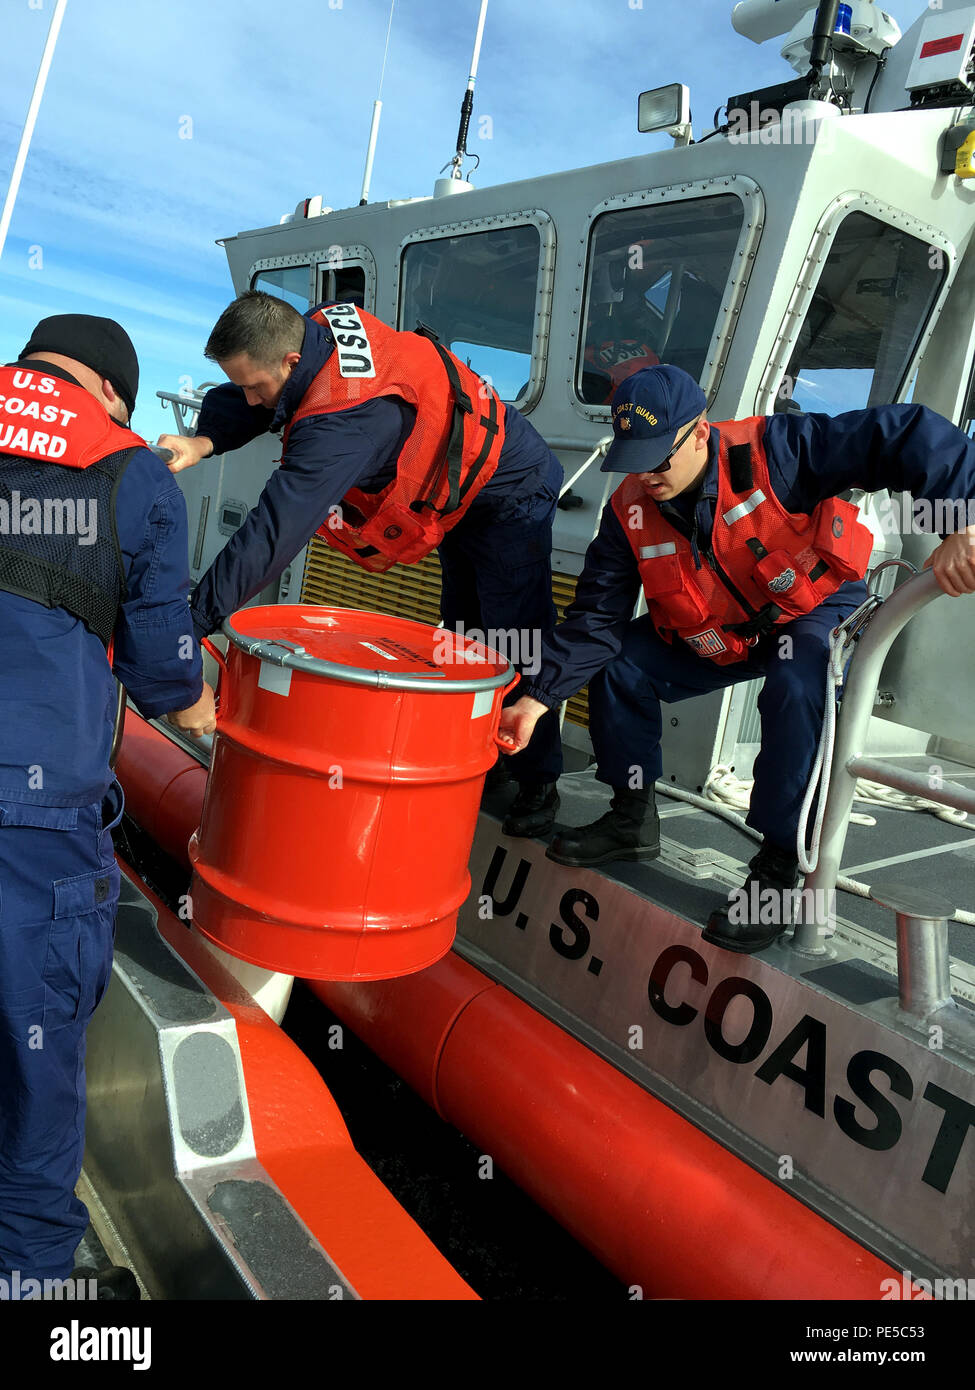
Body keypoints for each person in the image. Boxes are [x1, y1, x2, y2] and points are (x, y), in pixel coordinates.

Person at [499, 365, 975, 954]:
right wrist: (536, 699)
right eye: (635, 459)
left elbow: (902, 432)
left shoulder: (780, 450)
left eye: (660, 458)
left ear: (700, 432)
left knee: (800, 676)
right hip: (721, 631)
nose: (648, 476)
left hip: (812, 607)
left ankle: (778, 869)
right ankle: (630, 816)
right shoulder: (629, 512)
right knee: (621, 662)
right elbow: (595, 621)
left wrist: (961, 516)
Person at [157, 290, 564, 834]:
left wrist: (190, 626)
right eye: (242, 384)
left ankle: (539, 779)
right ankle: (486, 755)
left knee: (515, 630)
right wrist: (203, 441)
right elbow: (254, 398)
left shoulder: (343, 424)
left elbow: (271, 536)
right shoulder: (309, 330)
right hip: (459, 495)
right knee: (465, 628)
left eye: (256, 386)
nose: (252, 401)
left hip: (512, 492)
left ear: (292, 360)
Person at [0, 315, 215, 1292]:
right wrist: (222, 718)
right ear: (116, 397)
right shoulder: (133, 475)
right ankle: (36, 1282)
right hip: (30, 830)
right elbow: (168, 676)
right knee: (35, 1076)